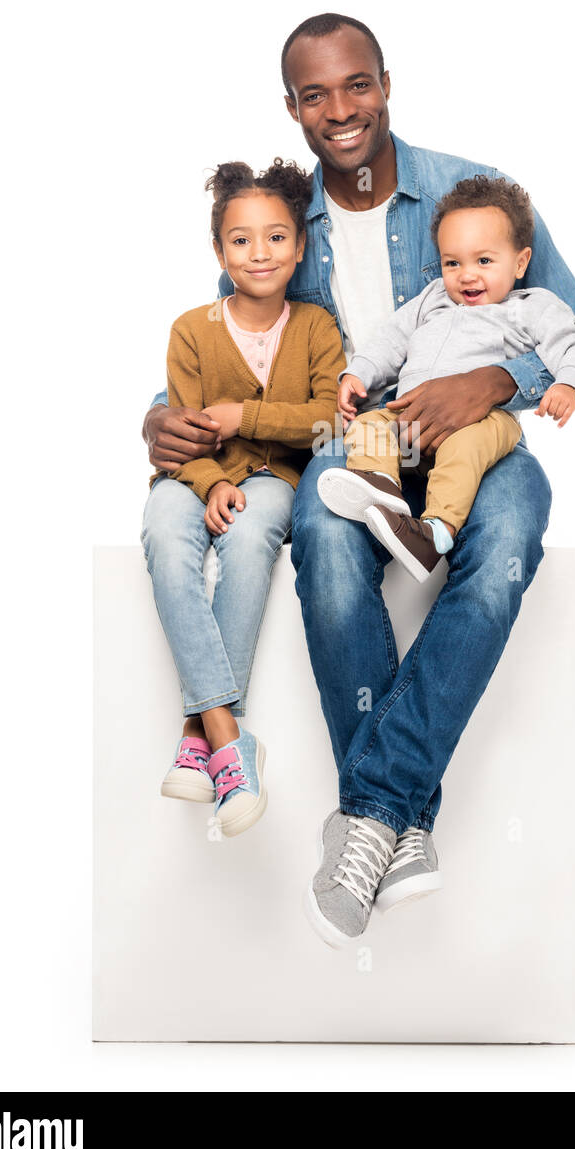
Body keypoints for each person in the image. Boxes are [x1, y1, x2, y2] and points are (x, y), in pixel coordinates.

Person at [143, 14, 575, 946]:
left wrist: (493, 380)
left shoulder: (470, 196)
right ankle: (400, 822)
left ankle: (370, 815)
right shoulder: (286, 220)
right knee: (322, 534)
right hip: (353, 443)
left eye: (356, 85)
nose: (340, 110)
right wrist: (159, 411)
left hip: (481, 436)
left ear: (386, 83)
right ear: (292, 109)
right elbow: (244, 331)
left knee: (510, 545)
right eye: (315, 95)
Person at [141, 158, 344, 838]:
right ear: (217, 249)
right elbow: (185, 428)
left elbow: (326, 420)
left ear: (300, 245)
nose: (259, 253)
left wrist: (243, 418)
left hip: (274, 480)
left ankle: (198, 736)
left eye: (277, 237)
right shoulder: (191, 329)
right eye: (240, 240)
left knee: (253, 539)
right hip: (191, 477)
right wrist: (209, 480)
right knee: (166, 537)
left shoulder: (316, 327)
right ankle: (229, 735)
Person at [316, 175, 575, 581]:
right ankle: (381, 489)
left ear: (520, 262)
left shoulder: (530, 307)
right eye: (453, 262)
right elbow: (390, 339)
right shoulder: (433, 298)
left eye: (484, 261)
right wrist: (357, 374)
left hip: (484, 421)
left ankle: (434, 533)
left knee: (465, 448)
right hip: (410, 417)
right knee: (367, 425)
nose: (467, 275)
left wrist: (569, 383)